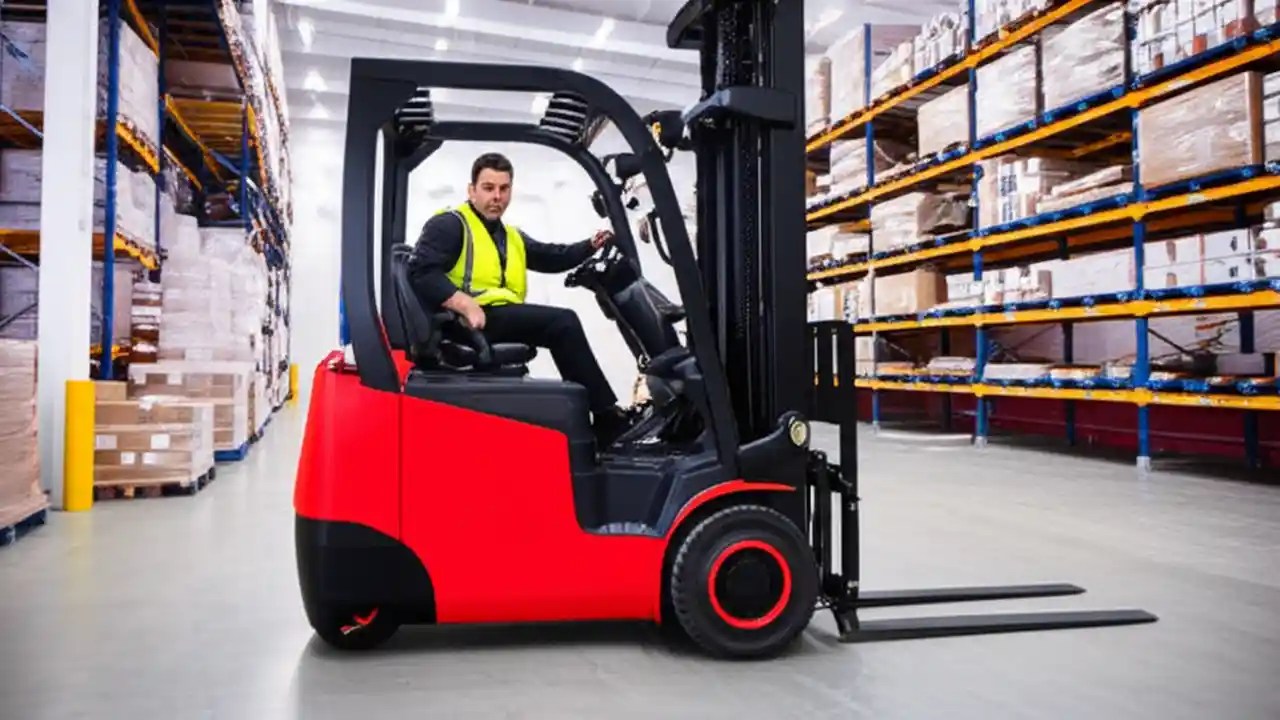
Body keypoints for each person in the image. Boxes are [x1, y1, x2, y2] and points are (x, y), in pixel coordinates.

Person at [408, 151, 632, 444]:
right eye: (488, 188)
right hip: (464, 323)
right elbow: (421, 272)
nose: (497, 196)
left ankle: (597, 415)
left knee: (559, 323)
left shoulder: (509, 235)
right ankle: (606, 418)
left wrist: (590, 245)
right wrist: (464, 303)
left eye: (504, 188)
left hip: (494, 316)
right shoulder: (451, 225)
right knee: (562, 323)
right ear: (471, 190)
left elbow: (551, 257)